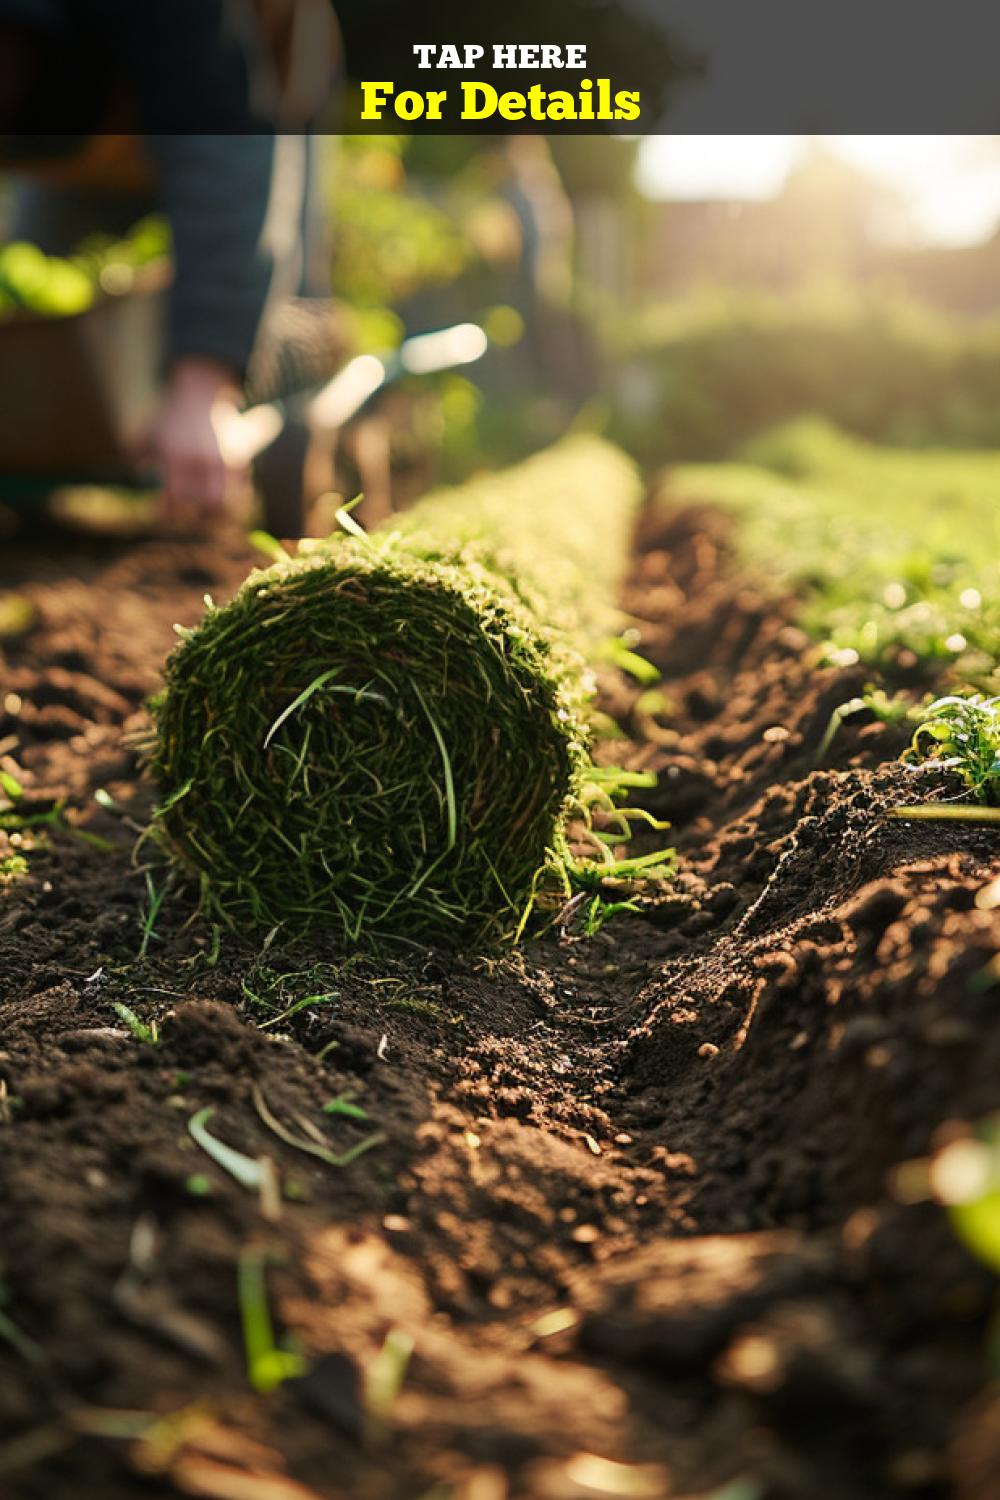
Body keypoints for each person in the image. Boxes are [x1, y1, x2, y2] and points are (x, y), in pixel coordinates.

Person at [0, 1, 339, 518]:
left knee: (287, 314)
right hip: (82, 115)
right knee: (35, 313)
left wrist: (204, 387)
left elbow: (223, 156)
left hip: (252, 81)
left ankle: (281, 475)